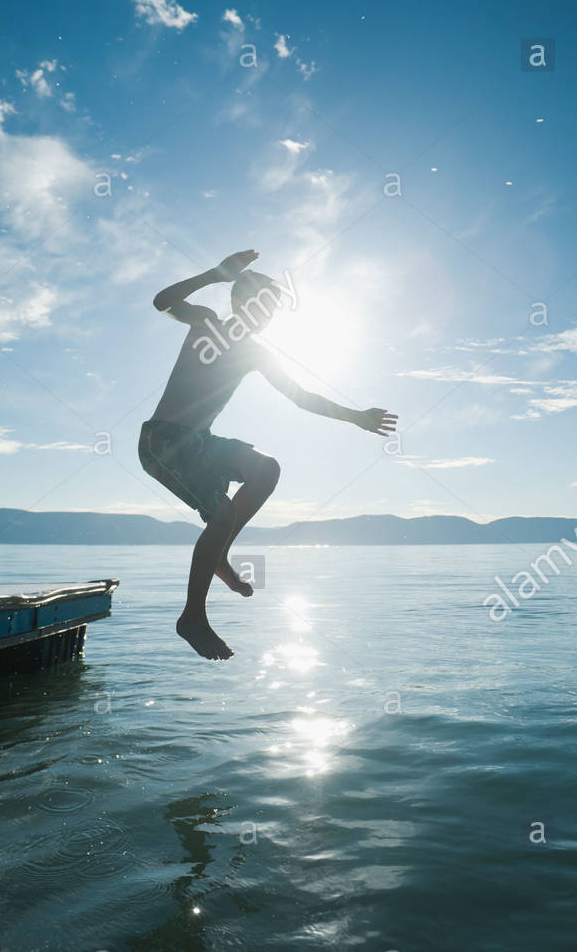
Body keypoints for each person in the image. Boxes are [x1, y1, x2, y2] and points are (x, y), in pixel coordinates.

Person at [139, 249, 397, 661]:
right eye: (260, 306)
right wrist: (216, 273)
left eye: (272, 310)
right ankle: (192, 617)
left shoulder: (256, 353)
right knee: (221, 514)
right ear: (238, 302)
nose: (265, 316)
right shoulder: (206, 323)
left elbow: (301, 397)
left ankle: (219, 551)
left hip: (200, 443)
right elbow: (162, 302)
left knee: (266, 469)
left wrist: (356, 417)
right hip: (163, 441)